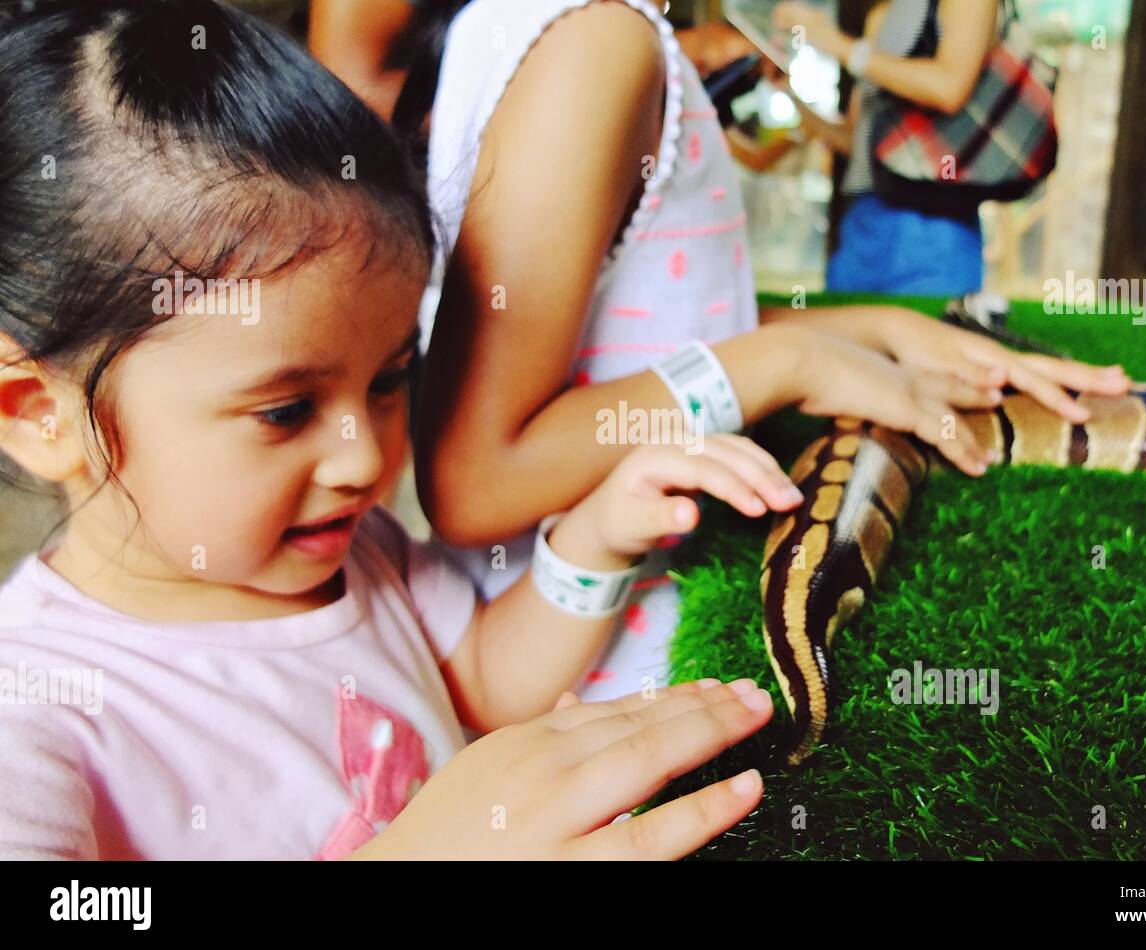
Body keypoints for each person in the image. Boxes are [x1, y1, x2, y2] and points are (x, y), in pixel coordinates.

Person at [0, 0, 797, 860]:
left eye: (389, 381)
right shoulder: (33, 711)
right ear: (41, 415)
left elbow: (483, 685)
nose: (367, 458)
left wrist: (592, 544)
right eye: (286, 410)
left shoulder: (359, 553)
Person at [395, 0, 1129, 704]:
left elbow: (656, 321)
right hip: (602, 692)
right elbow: (475, 480)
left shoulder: (564, 27)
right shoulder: (596, 38)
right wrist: (788, 365)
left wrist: (885, 332)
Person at [772, 0, 1001, 296]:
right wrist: (789, 94)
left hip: (935, 222)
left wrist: (835, 43)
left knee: (926, 340)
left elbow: (950, 88)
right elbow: (857, 143)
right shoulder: (881, 16)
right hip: (864, 219)